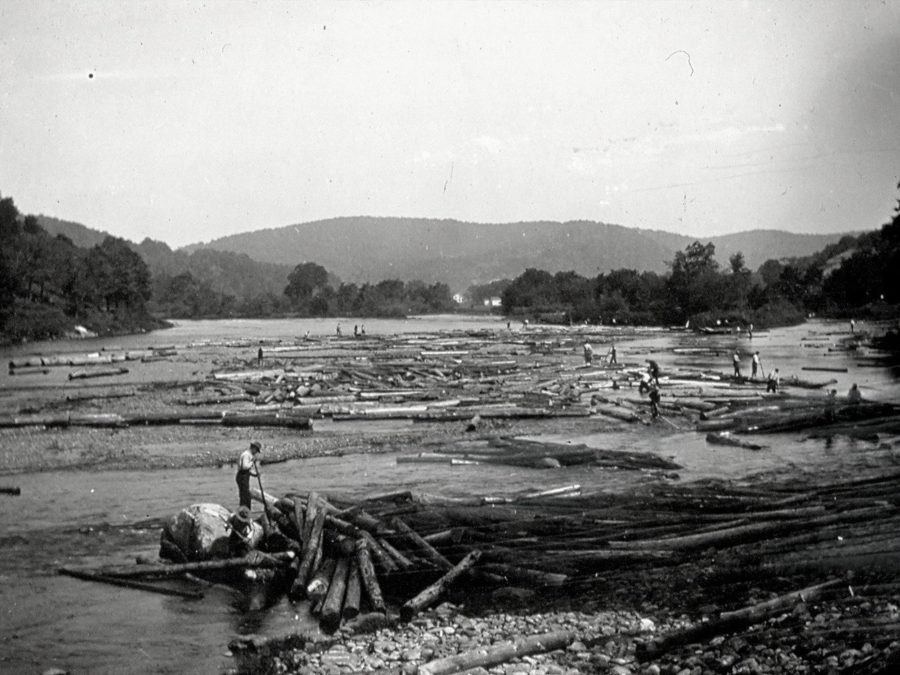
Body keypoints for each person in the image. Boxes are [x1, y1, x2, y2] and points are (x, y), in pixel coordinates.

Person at [236, 441, 261, 510]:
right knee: (245, 496)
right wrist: (252, 461)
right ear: (254, 448)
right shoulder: (246, 455)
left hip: (244, 476)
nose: (256, 453)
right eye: (256, 451)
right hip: (242, 477)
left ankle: (245, 510)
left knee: (245, 495)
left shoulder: (248, 455)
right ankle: (245, 511)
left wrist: (254, 474)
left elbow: (248, 470)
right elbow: (244, 467)